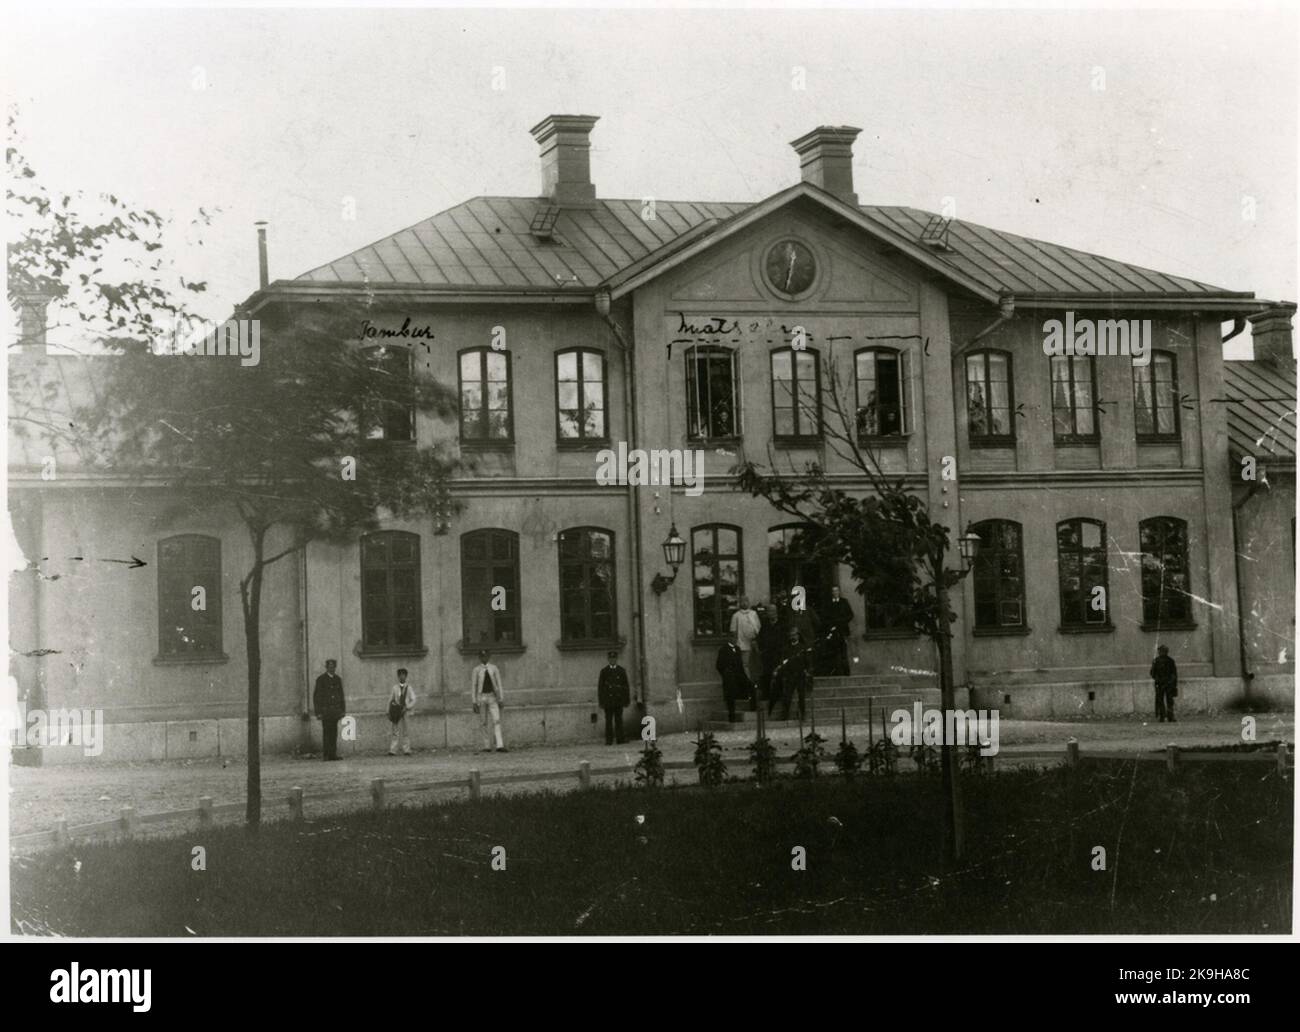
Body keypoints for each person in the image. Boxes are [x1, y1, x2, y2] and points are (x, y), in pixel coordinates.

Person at [471, 649, 508, 752]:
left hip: (492, 697)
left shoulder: (494, 668)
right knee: (483, 722)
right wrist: (474, 702)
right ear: (479, 658)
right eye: (482, 656)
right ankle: (486, 746)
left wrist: (501, 698)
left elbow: (499, 684)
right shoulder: (476, 670)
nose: (484, 658)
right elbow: (474, 686)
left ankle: (499, 745)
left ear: (489, 657)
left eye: (486, 656)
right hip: (481, 697)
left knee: (496, 720)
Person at [770, 629, 810, 722]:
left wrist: (807, 671)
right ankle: (785, 715)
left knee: (801, 696)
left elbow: (807, 661)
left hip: (800, 675)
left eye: (794, 635)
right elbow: (783, 662)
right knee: (787, 695)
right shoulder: (786, 649)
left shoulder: (803, 648)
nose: (793, 637)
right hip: (790, 675)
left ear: (798, 636)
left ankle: (803, 715)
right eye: (791, 635)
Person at [313, 659, 346, 761]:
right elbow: (316, 697)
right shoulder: (321, 680)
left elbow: (341, 695)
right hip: (325, 711)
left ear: (335, 667)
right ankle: (326, 755)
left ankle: (333, 754)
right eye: (330, 666)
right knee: (326, 732)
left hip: (335, 710)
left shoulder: (337, 679)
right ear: (326, 667)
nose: (331, 668)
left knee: (334, 732)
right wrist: (318, 712)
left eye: (333, 666)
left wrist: (342, 710)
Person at [715, 632, 751, 723]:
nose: (735, 639)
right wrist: (726, 673)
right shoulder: (723, 649)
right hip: (729, 676)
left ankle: (752, 708)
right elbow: (719, 665)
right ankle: (732, 716)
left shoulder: (738, 649)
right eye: (733, 637)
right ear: (729, 638)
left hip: (738, 675)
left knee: (751, 686)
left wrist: (744, 676)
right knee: (730, 694)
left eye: (736, 638)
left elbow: (740, 665)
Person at [596, 650, 631, 745]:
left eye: (614, 658)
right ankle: (609, 740)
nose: (612, 660)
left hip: (618, 700)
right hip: (608, 700)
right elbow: (601, 688)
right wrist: (601, 701)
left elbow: (625, 686)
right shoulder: (604, 671)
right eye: (611, 659)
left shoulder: (621, 671)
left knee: (619, 720)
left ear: (616, 659)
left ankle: (620, 739)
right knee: (608, 721)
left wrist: (626, 700)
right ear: (608, 659)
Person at [728, 596, 762, 684]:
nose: (744, 603)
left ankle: (757, 684)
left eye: (746, 601)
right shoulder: (736, 616)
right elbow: (733, 631)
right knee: (745, 665)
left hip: (754, 643)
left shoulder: (753, 614)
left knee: (756, 664)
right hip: (743, 644)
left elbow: (759, 628)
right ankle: (748, 684)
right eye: (742, 601)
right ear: (740, 603)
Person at [757, 604, 784, 709]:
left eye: (773, 611)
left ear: (776, 612)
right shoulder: (765, 625)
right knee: (766, 674)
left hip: (778, 654)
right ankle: (766, 695)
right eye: (769, 612)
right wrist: (761, 649)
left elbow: (785, 639)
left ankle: (779, 695)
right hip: (767, 654)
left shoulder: (782, 624)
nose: (771, 614)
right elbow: (760, 638)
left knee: (779, 674)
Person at [824, 585, 855, 676]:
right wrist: (831, 625)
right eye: (833, 591)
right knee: (834, 652)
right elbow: (825, 617)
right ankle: (836, 673)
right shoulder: (828, 603)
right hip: (832, 631)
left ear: (839, 592)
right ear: (832, 593)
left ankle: (846, 673)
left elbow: (850, 615)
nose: (835, 593)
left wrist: (842, 622)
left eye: (836, 591)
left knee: (844, 652)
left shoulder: (844, 602)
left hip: (843, 631)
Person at [387, 668, 416, 756]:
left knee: (406, 731)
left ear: (406, 676)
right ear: (398, 677)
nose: (402, 677)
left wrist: (407, 707)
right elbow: (390, 699)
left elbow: (414, 699)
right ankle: (393, 750)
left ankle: (406, 749)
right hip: (396, 711)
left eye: (403, 675)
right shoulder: (395, 688)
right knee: (395, 730)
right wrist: (387, 711)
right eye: (400, 675)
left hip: (405, 711)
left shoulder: (409, 688)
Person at [1150, 645, 1178, 723]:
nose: (1160, 653)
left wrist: (1157, 679)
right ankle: (1169, 716)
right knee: (1168, 700)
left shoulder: (1156, 661)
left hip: (1161, 683)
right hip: (1167, 683)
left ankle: (1163, 716)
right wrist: (1173, 683)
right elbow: (1174, 674)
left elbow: (1152, 673)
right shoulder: (1170, 661)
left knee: (1161, 700)